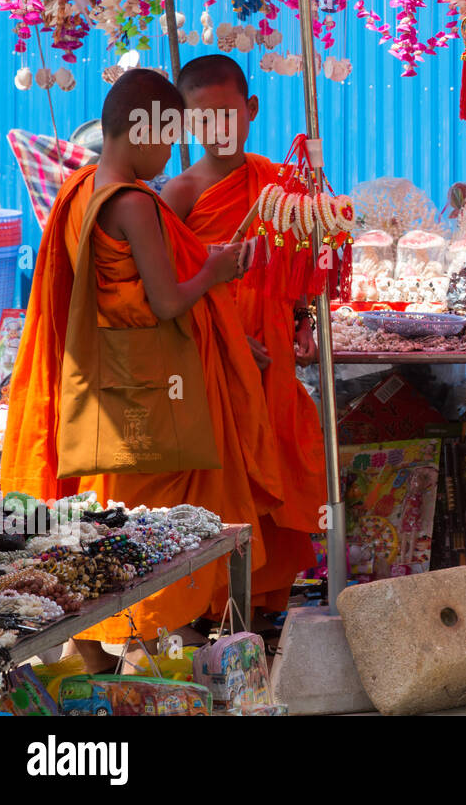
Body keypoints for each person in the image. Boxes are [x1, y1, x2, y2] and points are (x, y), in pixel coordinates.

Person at [2, 68, 276, 671]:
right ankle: (144, 667)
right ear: (142, 130)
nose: (172, 153)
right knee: (152, 543)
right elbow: (168, 300)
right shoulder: (132, 203)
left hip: (105, 387)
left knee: (102, 529)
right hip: (151, 397)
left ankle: (94, 668)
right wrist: (217, 270)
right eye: (169, 136)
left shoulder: (79, 192)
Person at [161, 55, 325, 634]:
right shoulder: (178, 194)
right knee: (226, 480)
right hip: (215, 361)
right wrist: (228, 341)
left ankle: (265, 605)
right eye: (203, 119)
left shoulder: (279, 184)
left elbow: (298, 264)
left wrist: (304, 321)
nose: (219, 129)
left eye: (228, 114)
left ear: (251, 109)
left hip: (273, 352)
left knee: (277, 461)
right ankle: (211, 605)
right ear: (183, 124)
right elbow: (173, 292)